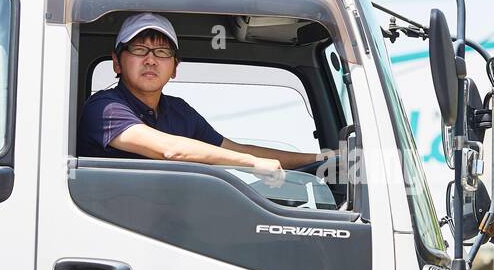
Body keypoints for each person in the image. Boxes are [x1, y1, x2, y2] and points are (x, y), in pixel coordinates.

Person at [79, 12, 323, 172]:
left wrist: (319, 160)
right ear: (117, 63)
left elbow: (233, 149)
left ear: (174, 67)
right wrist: (253, 164)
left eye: (162, 52)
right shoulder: (104, 108)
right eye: (139, 49)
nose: (151, 60)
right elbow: (169, 150)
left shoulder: (179, 111)